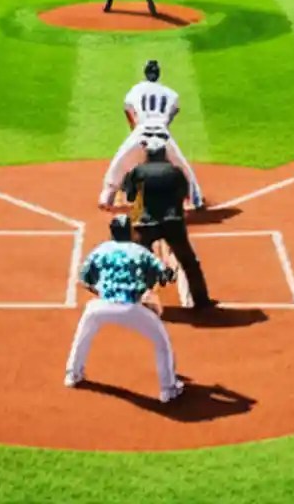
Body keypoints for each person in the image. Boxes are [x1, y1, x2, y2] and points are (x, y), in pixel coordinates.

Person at [64, 214, 184, 403]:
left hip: (101, 306)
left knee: (83, 333)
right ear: (130, 232)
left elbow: (83, 278)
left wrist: (101, 293)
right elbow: (166, 277)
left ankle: (73, 374)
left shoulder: (100, 250)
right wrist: (172, 267)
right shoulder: (141, 252)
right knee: (162, 342)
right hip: (132, 308)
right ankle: (168, 389)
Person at [99, 59, 205, 210]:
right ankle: (195, 199)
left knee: (119, 164)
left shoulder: (135, 90)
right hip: (163, 133)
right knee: (183, 167)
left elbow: (129, 111)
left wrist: (135, 133)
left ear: (146, 73)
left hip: (141, 131)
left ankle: (106, 197)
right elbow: (171, 116)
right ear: (158, 74)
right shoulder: (171, 94)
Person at [124, 140, 216, 310]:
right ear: (163, 154)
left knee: (137, 261)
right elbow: (183, 194)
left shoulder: (137, 171)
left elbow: (130, 197)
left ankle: (132, 299)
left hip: (145, 223)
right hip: (173, 222)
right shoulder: (175, 172)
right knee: (188, 262)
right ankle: (201, 301)